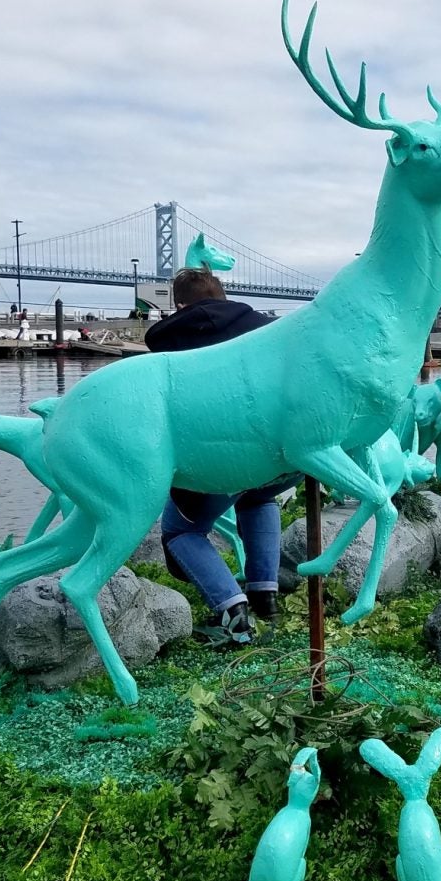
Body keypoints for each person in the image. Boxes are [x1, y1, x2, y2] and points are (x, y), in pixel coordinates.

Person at [144, 267, 291, 643]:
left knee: (181, 531)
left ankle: (234, 615)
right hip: (280, 455)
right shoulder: (266, 328)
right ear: (224, 297)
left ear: (179, 306)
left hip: (224, 457)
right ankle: (265, 597)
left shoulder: (169, 337)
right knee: (258, 498)